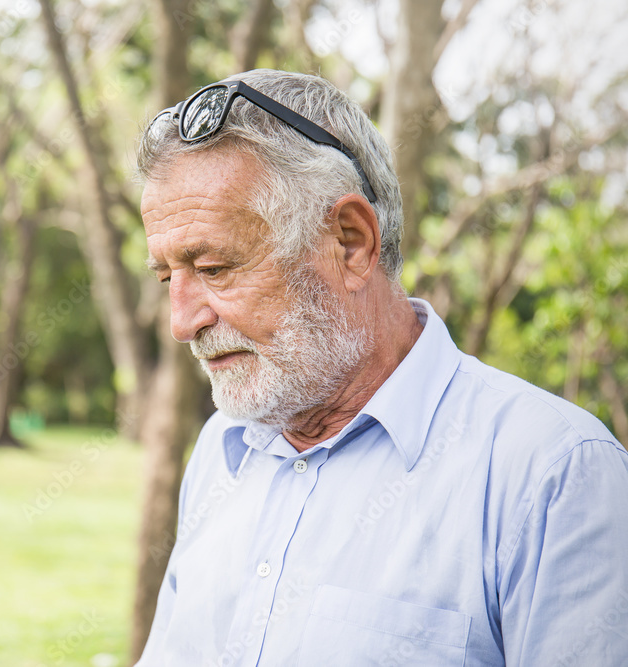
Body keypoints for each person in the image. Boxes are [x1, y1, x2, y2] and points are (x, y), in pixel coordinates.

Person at [135, 69, 628, 666]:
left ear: (350, 242)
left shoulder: (554, 474)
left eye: (213, 268)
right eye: (167, 278)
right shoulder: (222, 448)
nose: (181, 322)